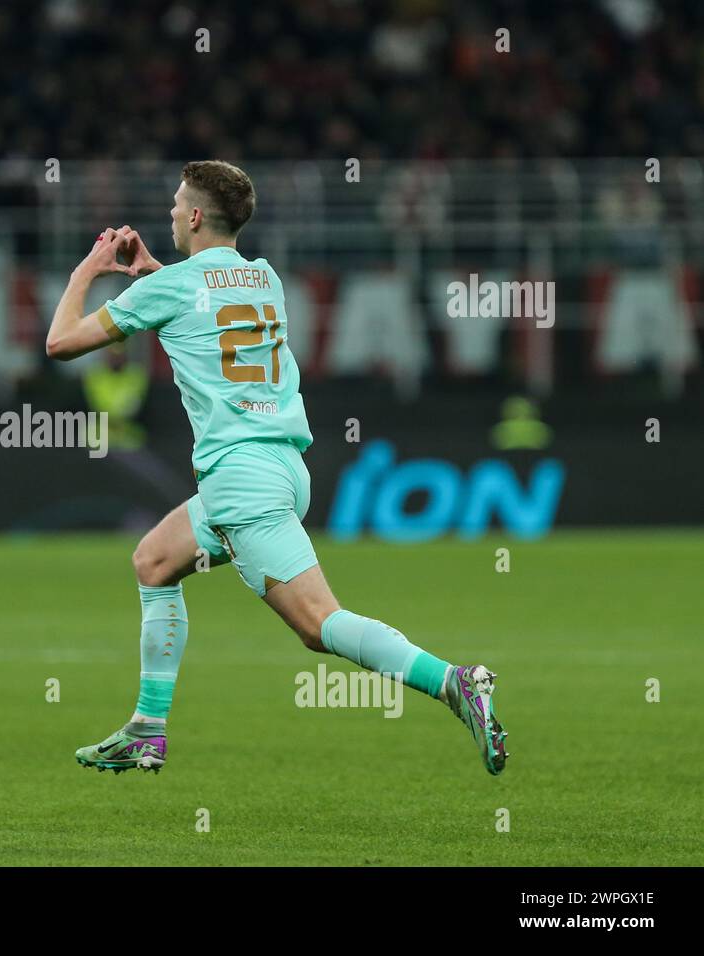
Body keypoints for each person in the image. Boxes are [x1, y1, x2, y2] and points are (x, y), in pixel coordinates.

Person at [45, 161, 508, 776]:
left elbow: (60, 341)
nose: (171, 214)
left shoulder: (172, 288)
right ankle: (146, 730)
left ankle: (455, 681)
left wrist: (91, 267)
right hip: (282, 467)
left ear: (194, 216)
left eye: (176, 204)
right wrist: (153, 270)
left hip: (241, 478)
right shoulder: (263, 280)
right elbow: (202, 307)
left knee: (319, 625)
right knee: (154, 561)